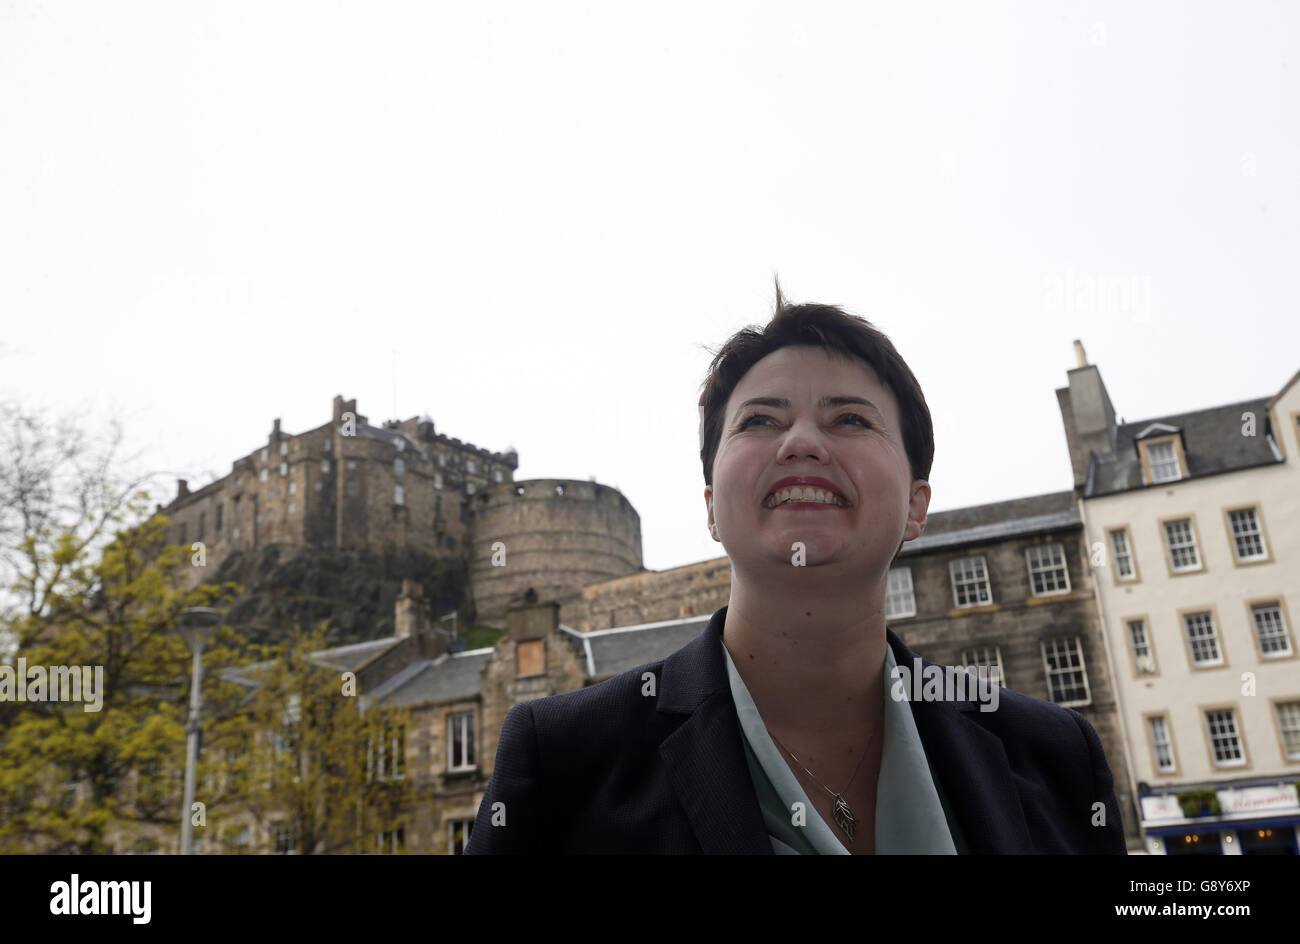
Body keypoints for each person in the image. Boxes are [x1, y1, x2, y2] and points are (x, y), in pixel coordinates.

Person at [464, 282, 1127, 854]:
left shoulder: (1056, 760)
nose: (803, 441)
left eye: (850, 419)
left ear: (917, 505)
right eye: (759, 420)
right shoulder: (561, 763)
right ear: (711, 509)